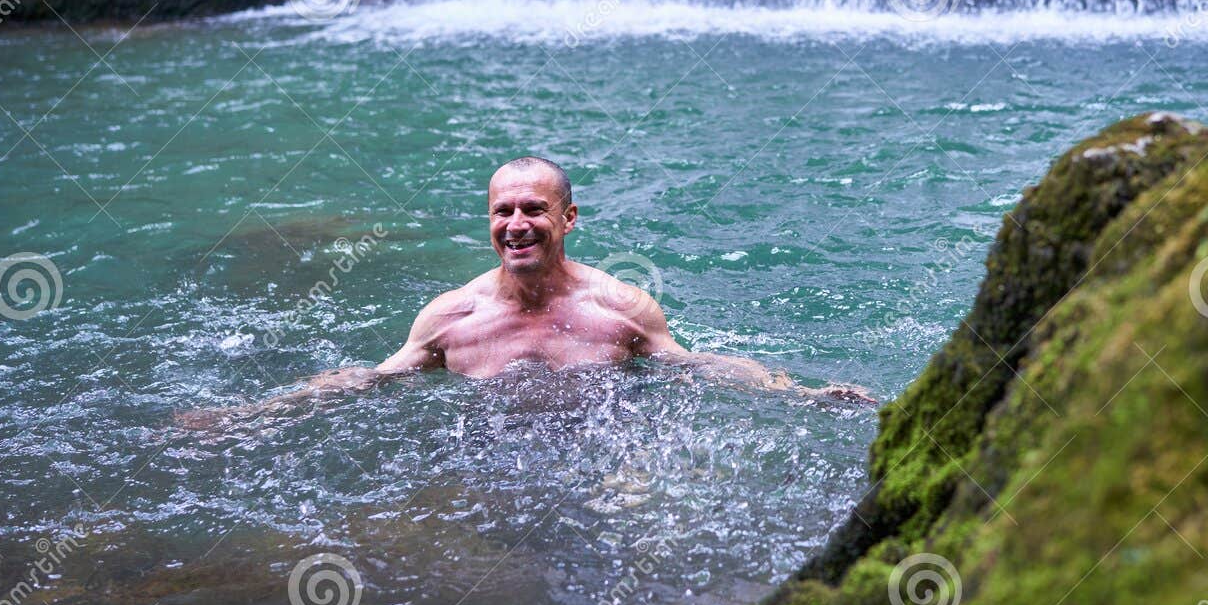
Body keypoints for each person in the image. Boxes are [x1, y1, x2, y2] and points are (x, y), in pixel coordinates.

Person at [186, 156, 873, 423]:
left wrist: (800, 393)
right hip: (489, 449)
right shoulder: (451, 318)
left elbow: (692, 365)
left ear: (568, 219)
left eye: (533, 210)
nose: (517, 225)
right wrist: (251, 413)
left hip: (603, 444)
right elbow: (371, 381)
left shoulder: (619, 309)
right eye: (503, 212)